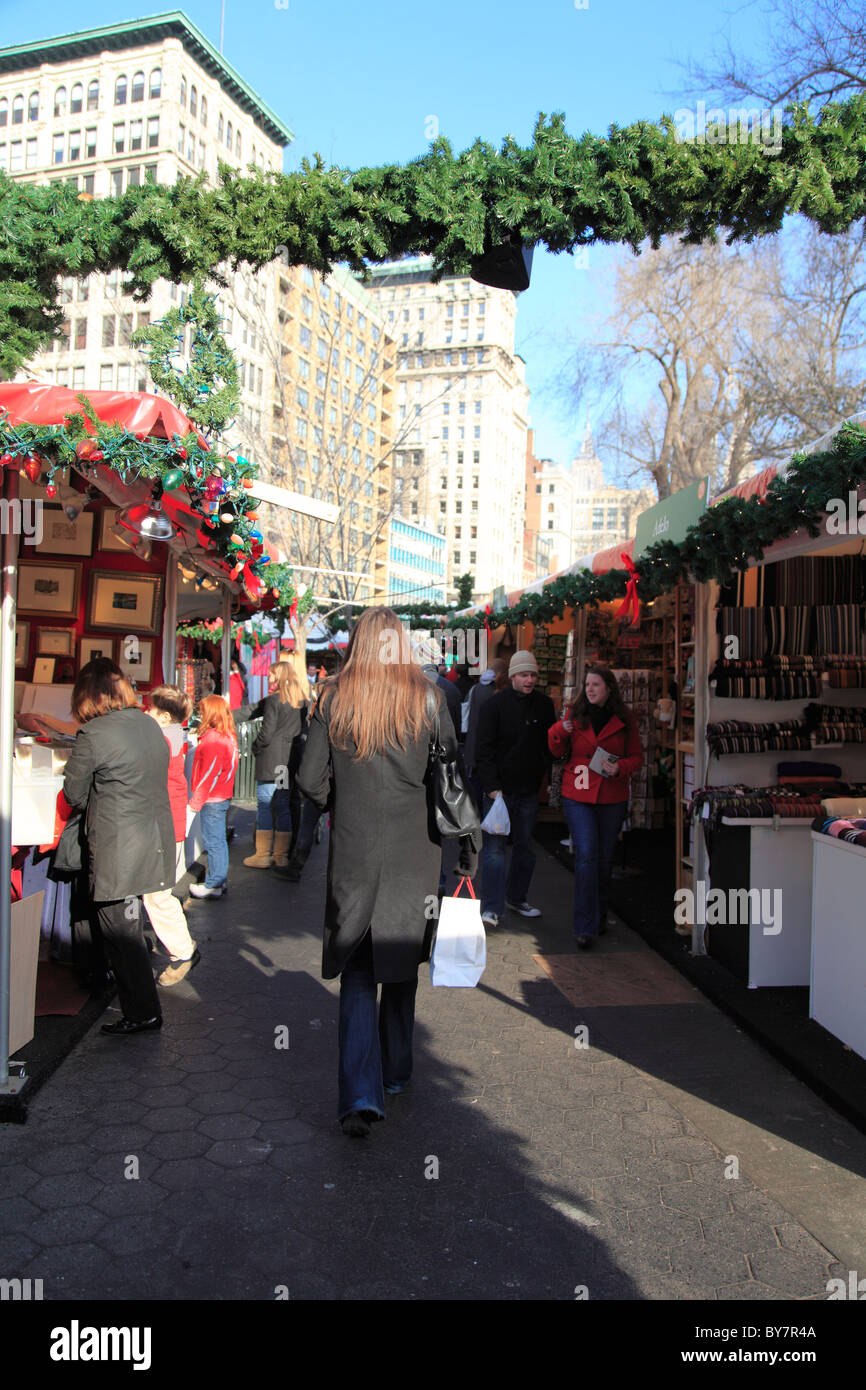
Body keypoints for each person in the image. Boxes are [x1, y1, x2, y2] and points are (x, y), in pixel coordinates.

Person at [296, 606, 473, 1139]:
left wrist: (335, 802)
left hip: (353, 850)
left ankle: (360, 1094)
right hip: (414, 853)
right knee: (399, 959)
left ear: (357, 644)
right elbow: (449, 772)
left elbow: (308, 780)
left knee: (356, 967)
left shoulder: (331, 698)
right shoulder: (428, 698)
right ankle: (396, 1072)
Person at [62, 663, 176, 1035]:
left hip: (118, 846)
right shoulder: (146, 724)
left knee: (122, 932)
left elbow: (74, 795)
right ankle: (141, 1008)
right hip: (151, 838)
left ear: (85, 694)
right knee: (127, 926)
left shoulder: (92, 734)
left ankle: (142, 1012)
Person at [548, 664, 643, 950]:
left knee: (603, 860)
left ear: (608, 688)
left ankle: (599, 916)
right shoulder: (573, 713)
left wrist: (620, 768)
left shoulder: (625, 718)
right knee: (587, 855)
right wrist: (558, 730)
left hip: (612, 796)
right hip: (577, 794)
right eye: (587, 684)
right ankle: (584, 927)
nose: (589, 689)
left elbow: (637, 757)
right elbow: (555, 750)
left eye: (595, 685)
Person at [476, 650, 556, 929]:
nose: (530, 679)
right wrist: (491, 787)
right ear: (512, 676)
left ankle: (516, 897)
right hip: (499, 792)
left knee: (525, 847)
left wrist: (542, 771)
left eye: (533, 674)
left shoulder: (545, 706)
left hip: (528, 789)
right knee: (495, 850)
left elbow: (549, 745)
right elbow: (483, 750)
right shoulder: (494, 706)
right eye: (524, 674)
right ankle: (492, 906)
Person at [142, 685, 201, 986]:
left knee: (156, 895)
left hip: (164, 824)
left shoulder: (162, 739)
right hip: (167, 822)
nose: (145, 714)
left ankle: (182, 951)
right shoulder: (173, 735)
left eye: (150, 710)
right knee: (155, 893)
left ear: (163, 716)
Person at [233, 661, 306, 869]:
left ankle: (263, 854)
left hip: (271, 760)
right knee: (282, 805)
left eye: (272, 674)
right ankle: (281, 856)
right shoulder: (300, 701)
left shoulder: (275, 700)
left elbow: (266, 733)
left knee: (264, 805)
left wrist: (256, 747)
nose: (269, 677)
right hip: (287, 762)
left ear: (279, 676)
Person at [188, 695, 238, 899]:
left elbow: (209, 774)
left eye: (202, 711)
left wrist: (195, 801)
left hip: (213, 798)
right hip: (221, 796)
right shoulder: (226, 736)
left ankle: (214, 883)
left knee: (214, 841)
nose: (200, 715)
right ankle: (217, 881)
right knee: (217, 841)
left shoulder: (213, 739)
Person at [463, 657, 508, 810]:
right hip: (486, 753)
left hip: (472, 749)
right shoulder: (496, 693)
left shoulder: (476, 688)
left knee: (474, 797)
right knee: (486, 799)